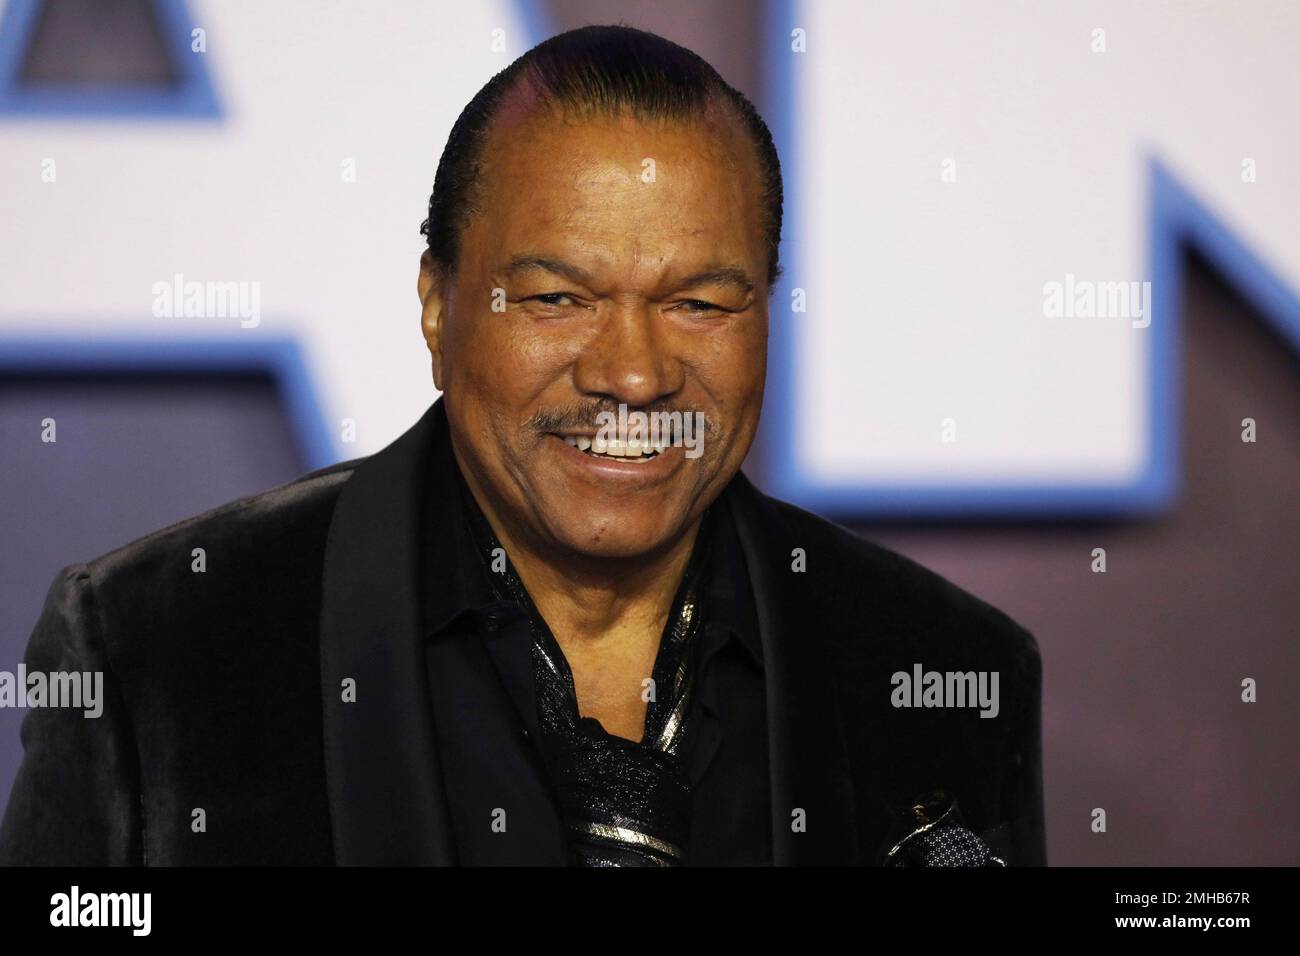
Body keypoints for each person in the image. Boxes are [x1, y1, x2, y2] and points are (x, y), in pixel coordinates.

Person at [0, 25, 1044, 866]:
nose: (632, 374)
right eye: (557, 297)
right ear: (435, 303)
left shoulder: (941, 664)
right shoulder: (156, 649)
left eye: (696, 301)